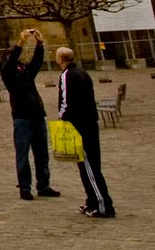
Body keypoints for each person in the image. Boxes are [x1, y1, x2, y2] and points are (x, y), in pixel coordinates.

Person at [1, 29, 59, 201]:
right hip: (22, 118)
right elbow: (11, 63)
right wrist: (20, 42)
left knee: (42, 153)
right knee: (23, 154)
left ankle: (43, 185)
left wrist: (39, 44)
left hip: (37, 115)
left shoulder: (25, 72)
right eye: (14, 56)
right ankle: (24, 187)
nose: (18, 59)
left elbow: (36, 63)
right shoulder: (7, 74)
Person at [56, 47, 114, 218]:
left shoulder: (67, 75)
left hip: (79, 126)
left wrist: (62, 119)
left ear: (60, 59)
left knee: (89, 167)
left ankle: (103, 205)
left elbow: (65, 102)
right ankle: (92, 201)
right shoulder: (83, 72)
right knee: (87, 166)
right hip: (89, 123)